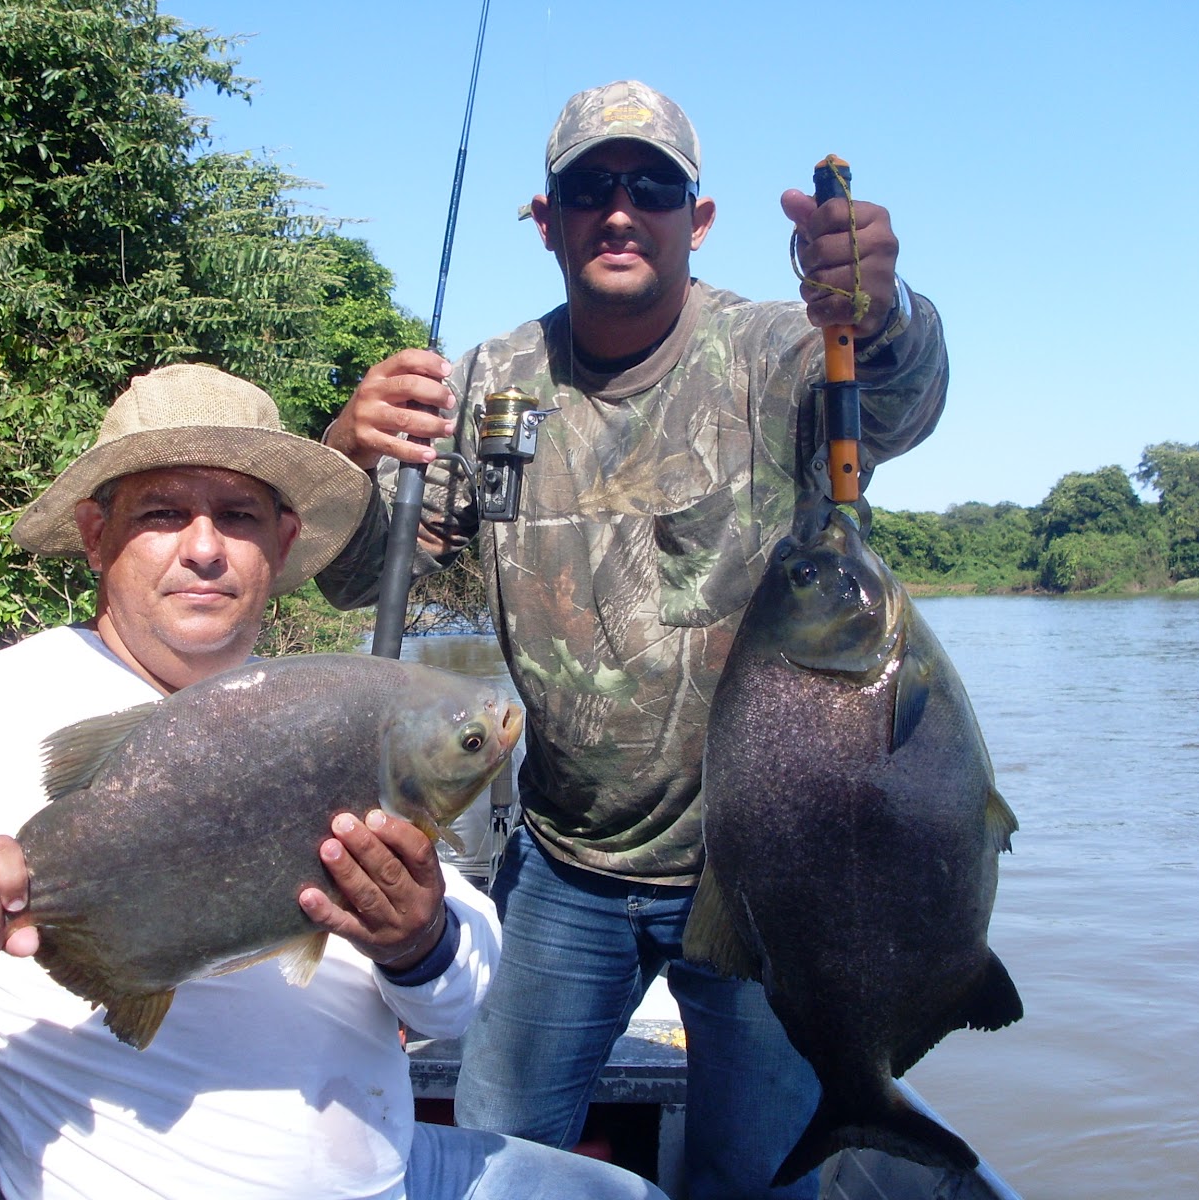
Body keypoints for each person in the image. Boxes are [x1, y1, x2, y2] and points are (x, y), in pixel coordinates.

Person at [0, 363, 666, 1200]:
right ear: (95, 535)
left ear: (283, 543)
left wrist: (418, 943)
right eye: (162, 513)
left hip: (396, 1172)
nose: (205, 547)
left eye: (239, 517)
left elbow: (457, 998)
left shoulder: (337, 711)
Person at [316, 80, 949, 1199]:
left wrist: (884, 309)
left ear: (696, 220)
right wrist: (345, 456)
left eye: (652, 186)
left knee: (760, 1178)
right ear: (546, 218)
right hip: (563, 865)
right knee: (495, 1154)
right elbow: (361, 576)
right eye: (590, 187)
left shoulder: (777, 352)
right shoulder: (490, 382)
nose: (620, 210)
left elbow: (898, 400)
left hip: (761, 873)